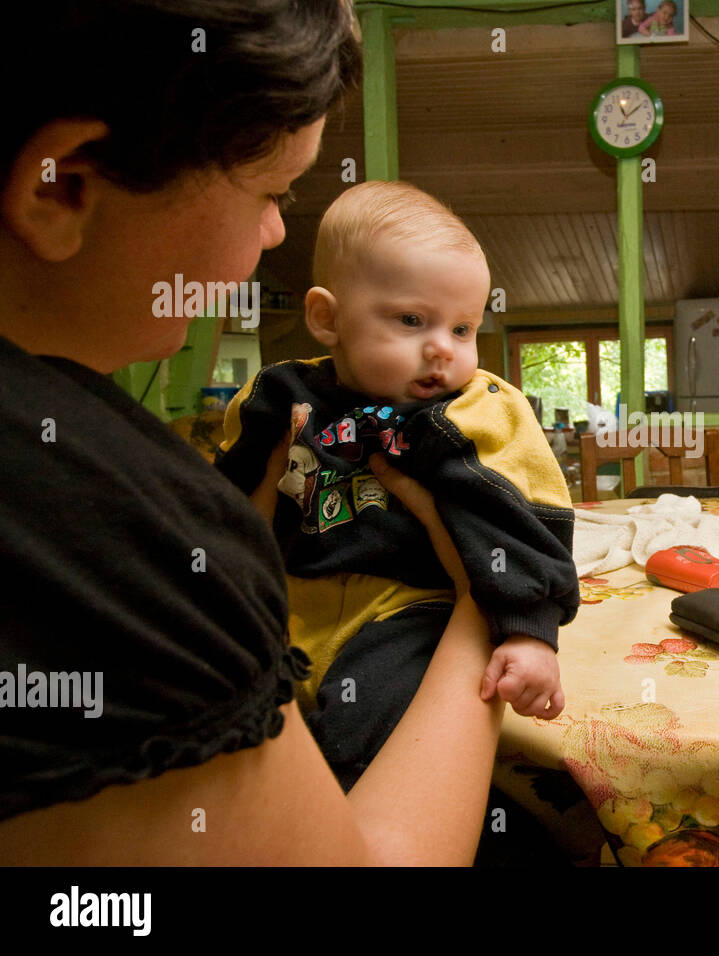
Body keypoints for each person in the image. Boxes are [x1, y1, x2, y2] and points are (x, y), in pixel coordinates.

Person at [0, 0, 504, 865]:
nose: (275, 233)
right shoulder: (103, 532)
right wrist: (482, 613)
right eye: (271, 193)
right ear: (63, 183)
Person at [214, 181, 579, 789]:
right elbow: (225, 501)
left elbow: (526, 521)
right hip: (290, 603)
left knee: (369, 731)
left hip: (411, 608)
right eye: (412, 320)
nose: (442, 348)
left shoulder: (477, 411)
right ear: (326, 318)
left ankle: (346, 829)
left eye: (464, 329)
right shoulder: (278, 397)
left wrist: (528, 632)